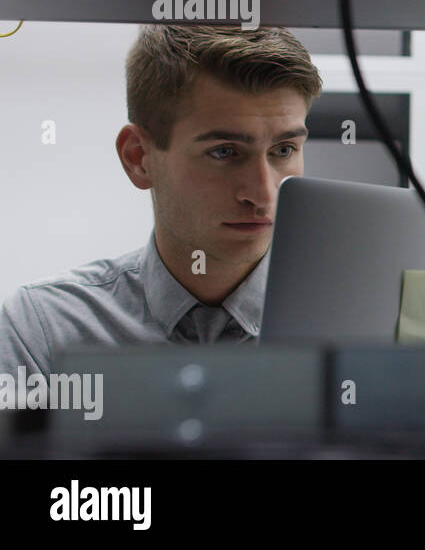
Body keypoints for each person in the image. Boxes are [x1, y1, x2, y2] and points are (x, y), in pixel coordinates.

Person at [0, 25, 323, 378]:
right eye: (224, 151)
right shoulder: (43, 330)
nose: (263, 194)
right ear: (139, 158)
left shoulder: (352, 324)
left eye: (283, 150)